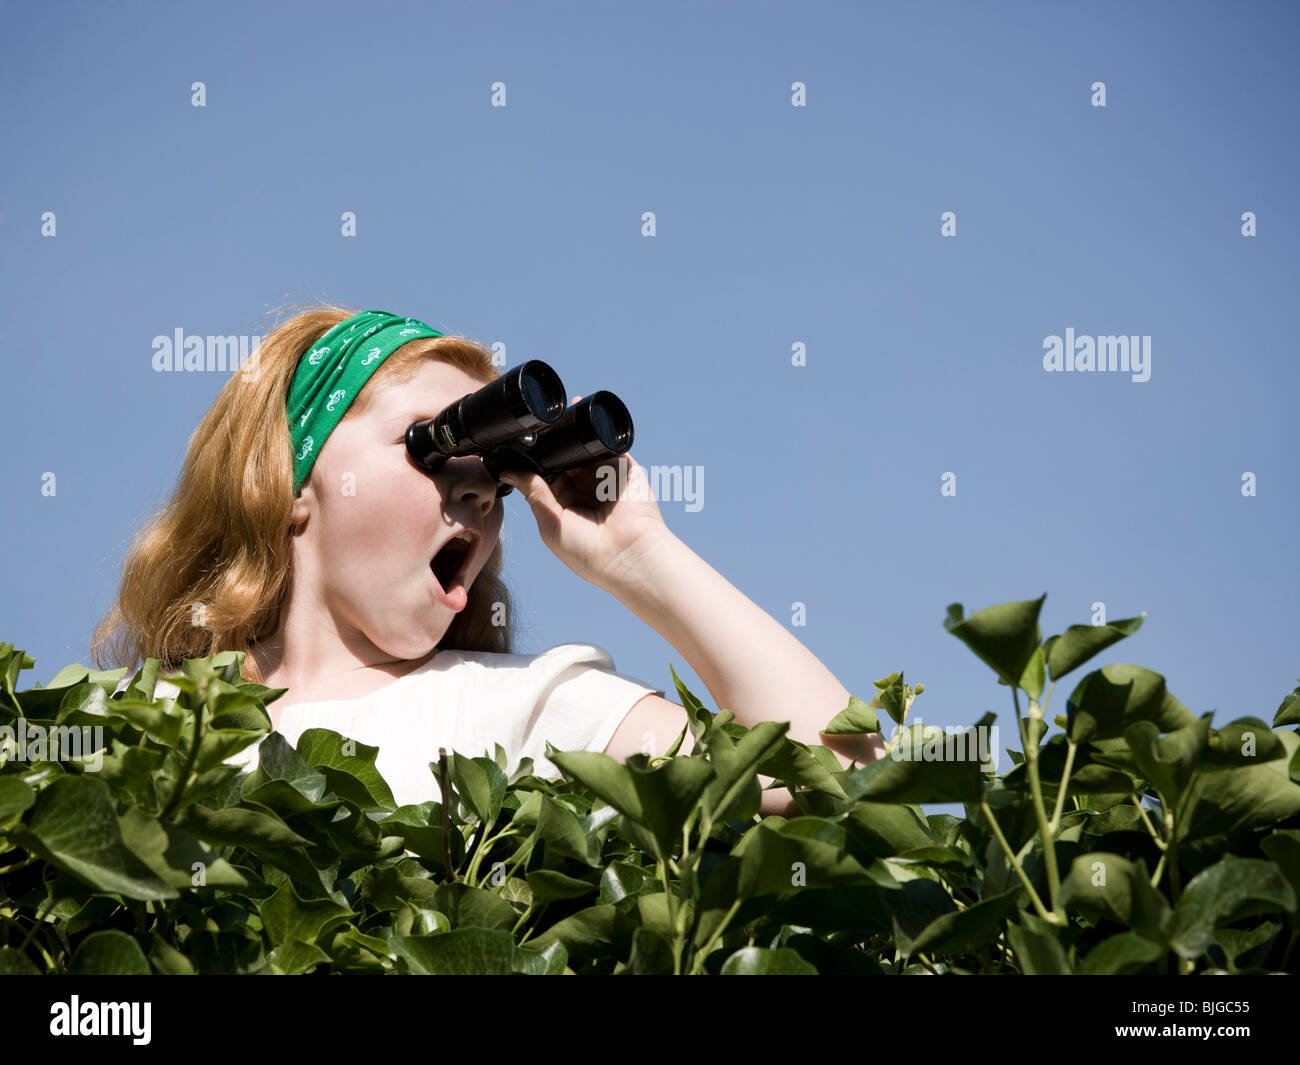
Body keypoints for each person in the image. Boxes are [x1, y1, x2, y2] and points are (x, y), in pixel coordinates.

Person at [91, 304, 885, 813]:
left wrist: (640, 555)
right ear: (292, 481)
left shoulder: (531, 709)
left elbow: (844, 776)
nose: (479, 492)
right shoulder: (130, 730)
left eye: (501, 475)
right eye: (433, 444)